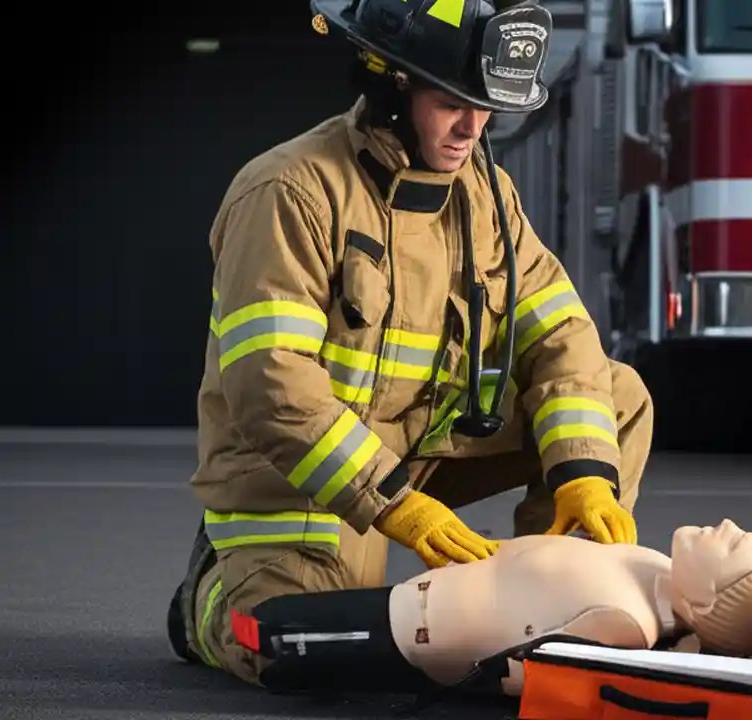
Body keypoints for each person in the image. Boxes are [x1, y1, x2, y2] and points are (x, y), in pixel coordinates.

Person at [166, 0, 654, 684]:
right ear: (390, 82)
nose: (472, 126)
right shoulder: (290, 191)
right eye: (452, 100)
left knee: (617, 393)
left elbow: (560, 332)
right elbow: (271, 387)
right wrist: (394, 502)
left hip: (423, 448)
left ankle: (548, 604)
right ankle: (207, 600)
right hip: (305, 475)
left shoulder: (485, 192)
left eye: (485, 105)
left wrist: (585, 474)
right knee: (303, 650)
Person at [223, 519, 752, 695]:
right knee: (274, 625)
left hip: (420, 631)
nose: (729, 525)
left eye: (733, 544)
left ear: (707, 598)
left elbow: (529, 677)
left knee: (273, 635)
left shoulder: (626, 624)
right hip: (426, 595)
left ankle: (213, 625)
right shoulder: (657, 569)